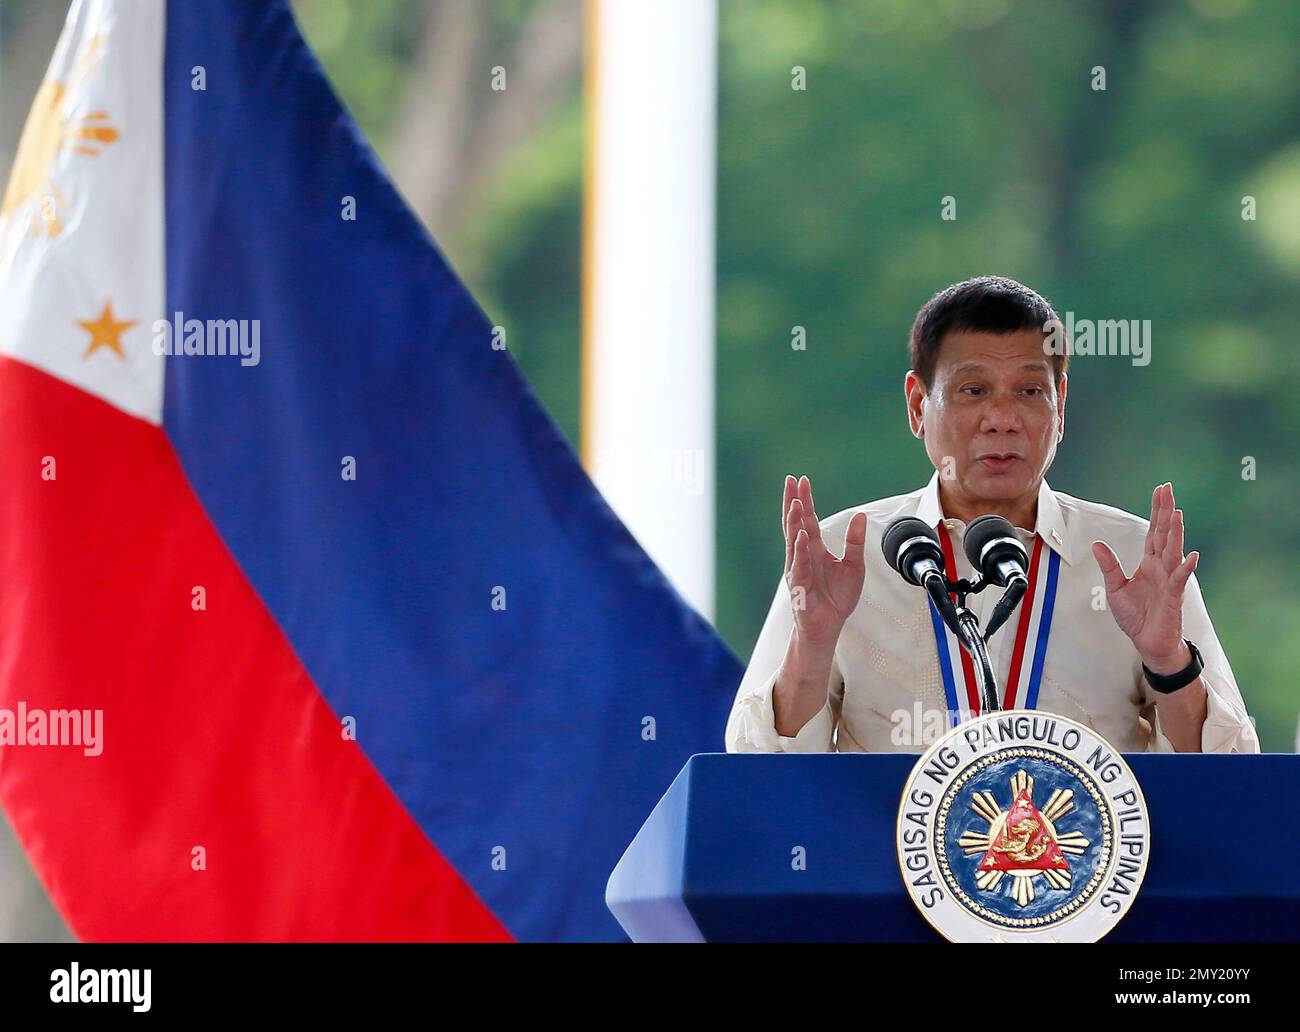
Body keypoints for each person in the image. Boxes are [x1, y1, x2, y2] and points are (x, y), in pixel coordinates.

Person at [725, 276, 1258, 754]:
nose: (1001, 420)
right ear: (917, 405)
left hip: (1083, 861)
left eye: (1028, 391)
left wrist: (1167, 661)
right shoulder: (844, 552)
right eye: (972, 390)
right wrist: (812, 647)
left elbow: (1228, 770)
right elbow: (757, 763)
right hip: (888, 863)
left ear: (1061, 404)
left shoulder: (1133, 559)